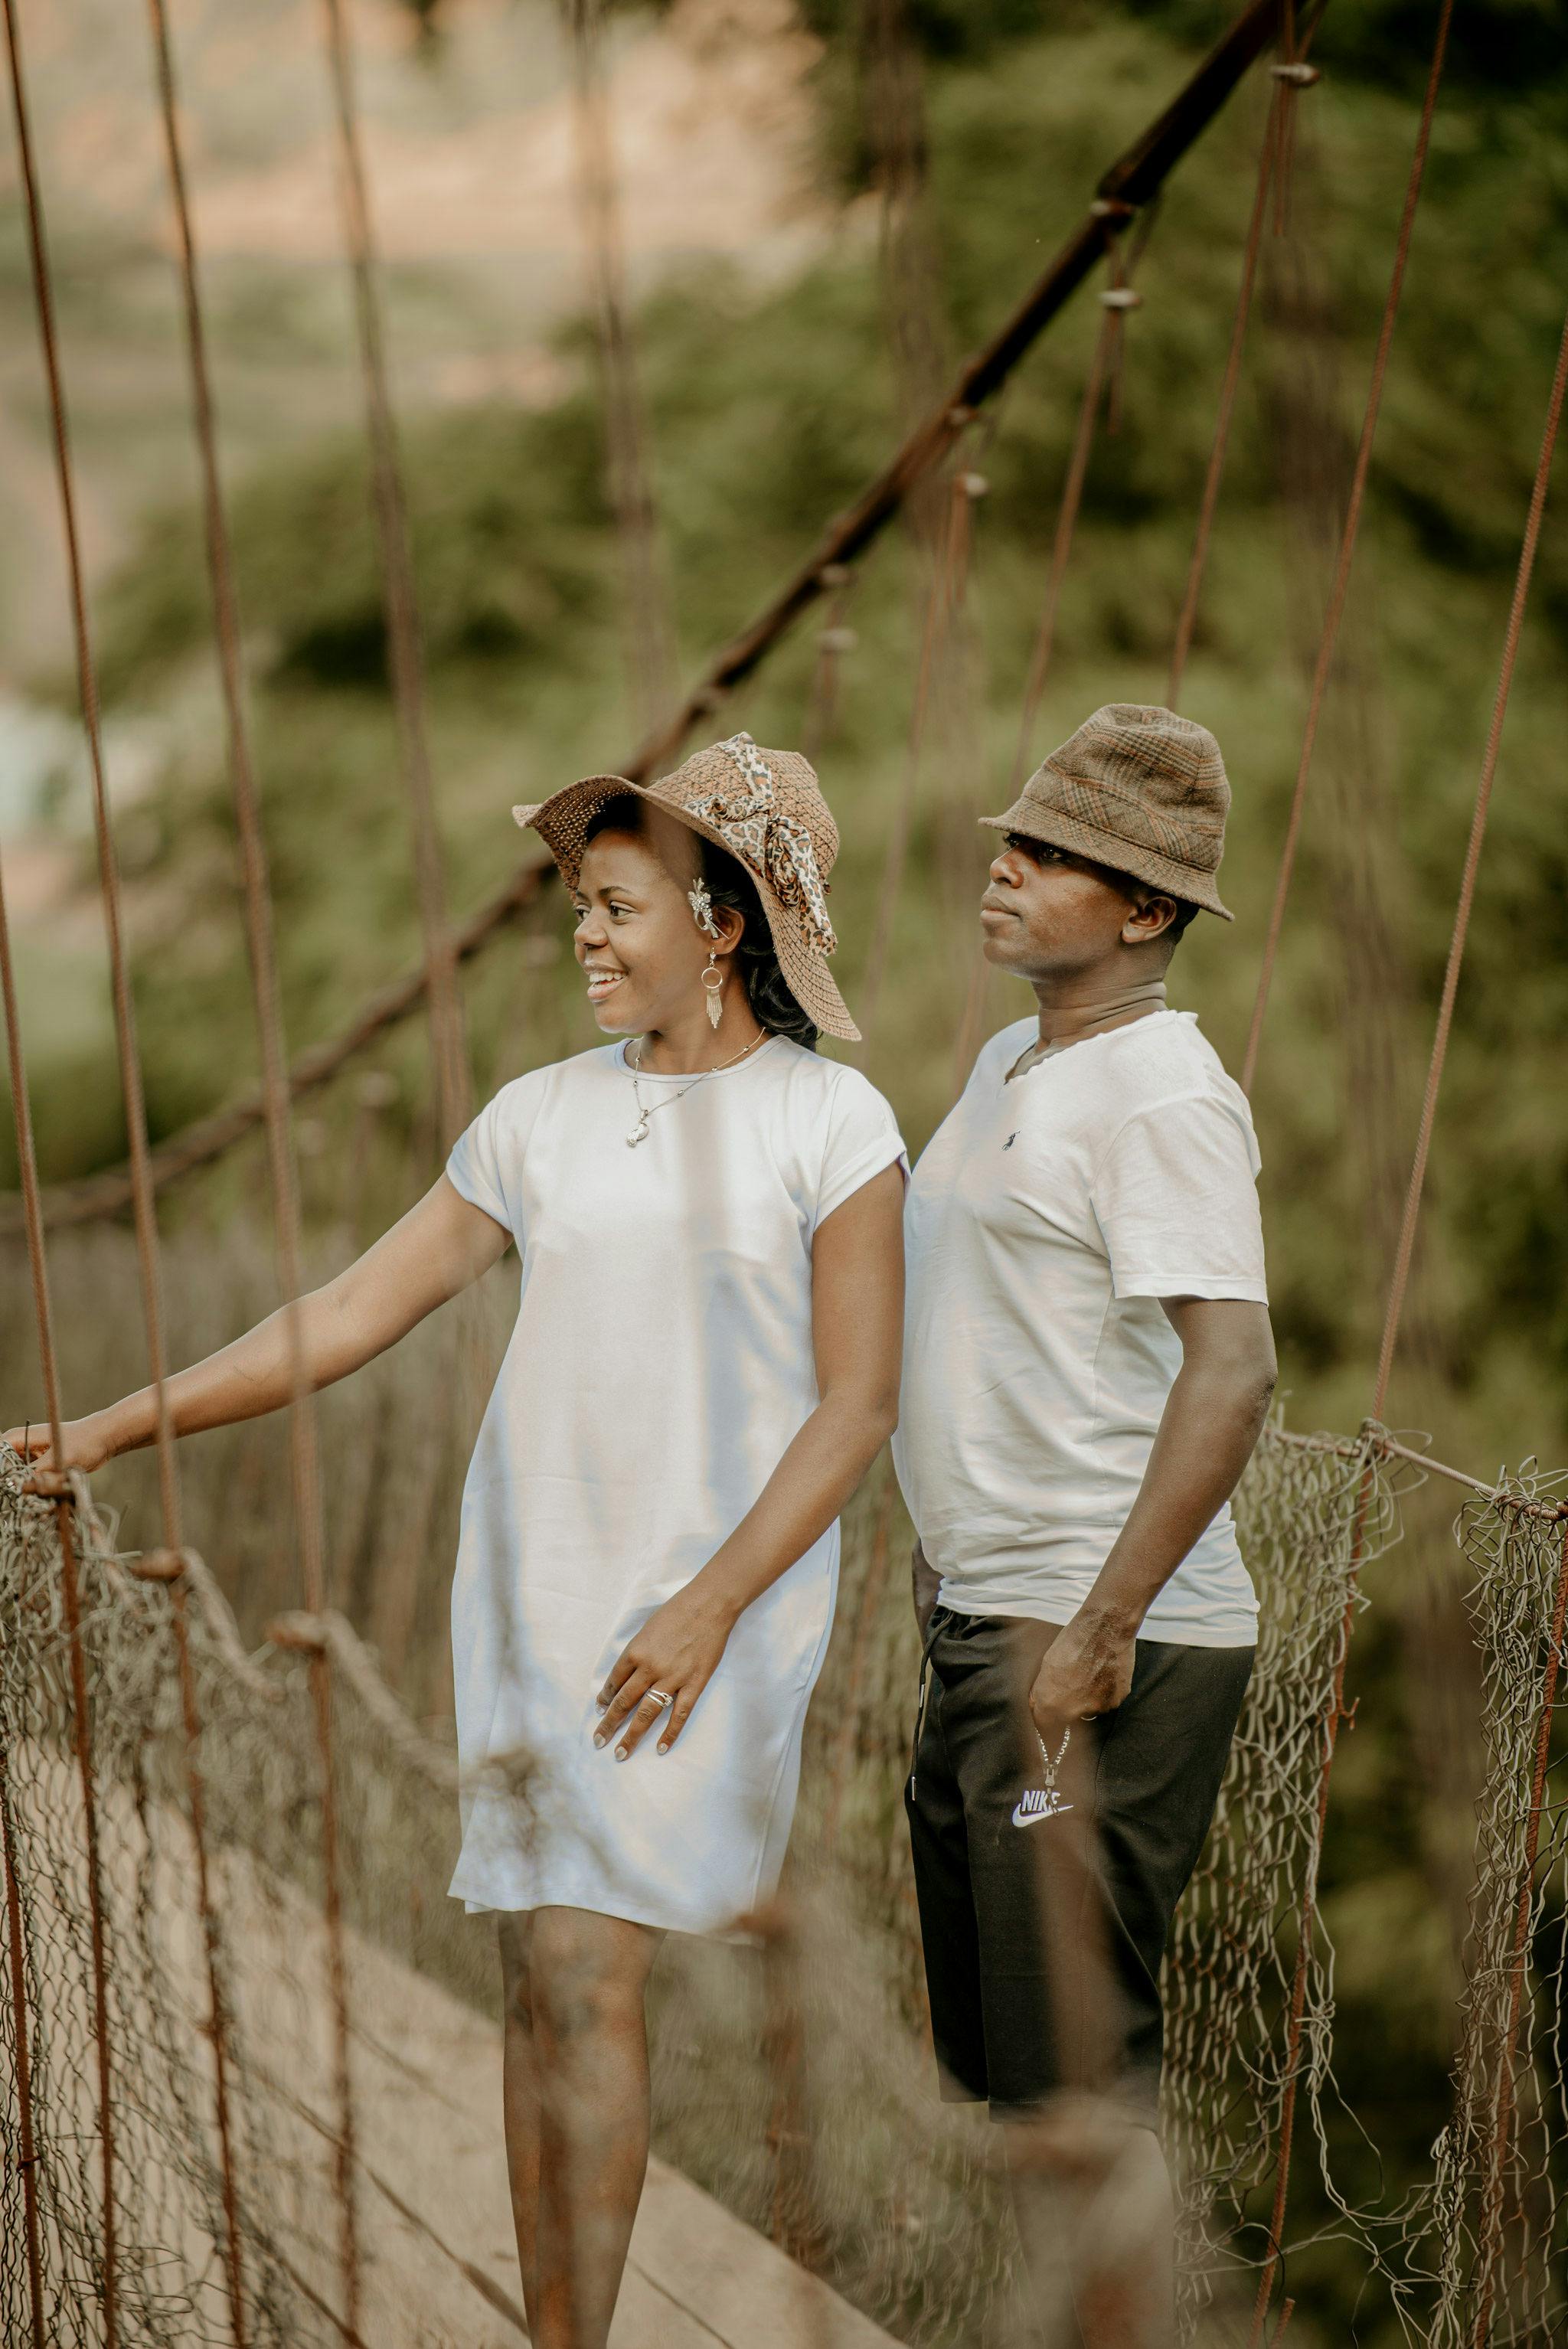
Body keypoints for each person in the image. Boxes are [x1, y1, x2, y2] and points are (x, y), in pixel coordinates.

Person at [8, 732, 906, 2349]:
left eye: (620, 906)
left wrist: (705, 1606)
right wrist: (115, 1420)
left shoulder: (830, 1127)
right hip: (534, 1588)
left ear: (722, 924)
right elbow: (347, 1308)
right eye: (579, 902)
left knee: (583, 1971)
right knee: (536, 1976)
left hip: (712, 1607)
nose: (583, 933)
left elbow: (854, 1408)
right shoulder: (536, 1117)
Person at [892, 704, 1277, 2348]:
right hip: (994, 1612)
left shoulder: (1162, 1097)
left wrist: (1104, 1623)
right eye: (1011, 837)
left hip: (1096, 1633)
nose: (1004, 869)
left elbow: (1235, 1364)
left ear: (1143, 911)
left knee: (1076, 2096)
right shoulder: (1010, 1064)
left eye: (1051, 857)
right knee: (1003, 2084)